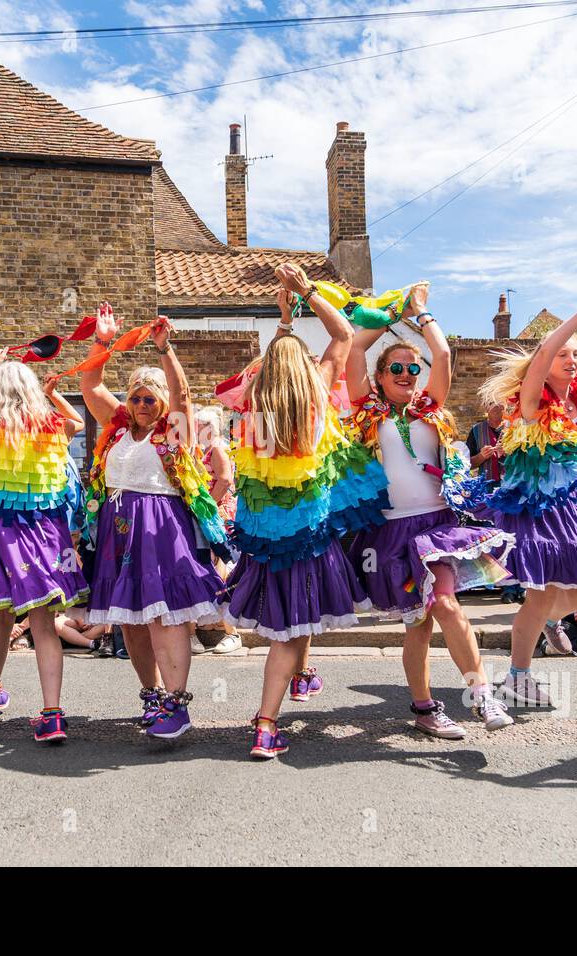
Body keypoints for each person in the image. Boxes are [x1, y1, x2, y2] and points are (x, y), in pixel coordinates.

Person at [224, 264, 390, 759]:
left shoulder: (252, 405)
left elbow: (275, 362)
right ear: (304, 366)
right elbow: (343, 331)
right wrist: (306, 292)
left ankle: (302, 677)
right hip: (311, 533)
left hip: (266, 536)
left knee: (296, 615)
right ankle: (266, 723)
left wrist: (284, 323)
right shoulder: (318, 391)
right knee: (292, 624)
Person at [344, 282, 515, 738]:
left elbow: (442, 356)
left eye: (411, 368)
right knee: (417, 624)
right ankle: (424, 708)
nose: (406, 373)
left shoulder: (430, 409)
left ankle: (480, 695)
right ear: (381, 376)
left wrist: (421, 314)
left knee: (443, 602)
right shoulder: (368, 412)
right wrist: (380, 317)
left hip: (436, 526)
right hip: (390, 530)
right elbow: (353, 355)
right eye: (396, 367)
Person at [478, 290, 577, 706]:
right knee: (542, 592)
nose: (571, 360)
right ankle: (518, 676)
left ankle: (549, 621)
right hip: (536, 507)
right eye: (563, 355)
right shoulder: (531, 399)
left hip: (574, 505)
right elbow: (545, 350)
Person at [80, 312, 228, 740]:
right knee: (130, 619)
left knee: (164, 616)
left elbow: (182, 392)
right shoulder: (118, 426)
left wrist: (165, 349)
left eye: (151, 399)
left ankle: (178, 705)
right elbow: (91, 384)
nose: (143, 406)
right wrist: (103, 342)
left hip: (160, 527)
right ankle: (152, 694)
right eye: (137, 398)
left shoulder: (175, 431)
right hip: (117, 527)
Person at [0, 352, 89, 745]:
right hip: (45, 532)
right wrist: (53, 395)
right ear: (31, 391)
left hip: (1, 533)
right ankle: (52, 715)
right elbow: (80, 423)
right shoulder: (54, 426)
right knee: (44, 623)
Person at [191, 405, 242, 655]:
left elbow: (224, 480)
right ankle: (200, 628)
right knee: (201, 569)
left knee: (220, 571)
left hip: (216, 516)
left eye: (199, 426)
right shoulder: (202, 449)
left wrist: (205, 507)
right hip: (206, 515)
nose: (195, 430)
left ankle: (231, 632)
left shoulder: (217, 448)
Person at [465, 399, 506, 485]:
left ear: (505, 407)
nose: (496, 406)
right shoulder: (476, 430)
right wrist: (481, 456)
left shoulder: (515, 429)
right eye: (491, 403)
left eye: (500, 403)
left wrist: (509, 453)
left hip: (512, 487)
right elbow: (467, 464)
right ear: (486, 408)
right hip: (486, 489)